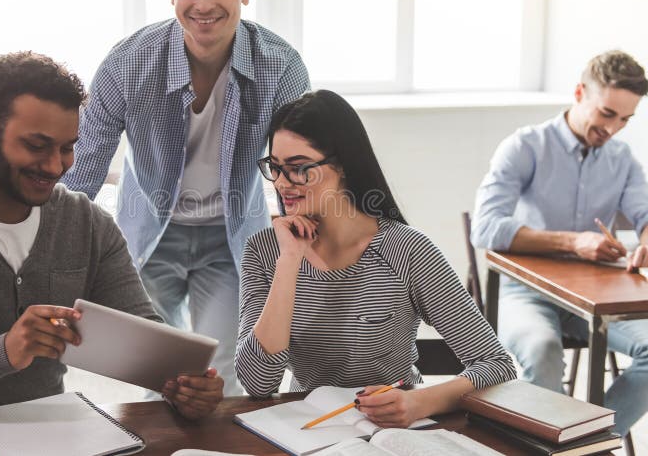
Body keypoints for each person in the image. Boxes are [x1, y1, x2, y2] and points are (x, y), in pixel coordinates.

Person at [0, 52, 223, 422]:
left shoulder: (87, 224)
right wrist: (3, 352)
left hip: (49, 436)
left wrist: (184, 385)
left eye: (67, 147)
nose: (55, 166)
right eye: (36, 145)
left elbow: (148, 343)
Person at [61, 0, 309, 396]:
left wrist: (304, 260)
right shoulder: (128, 63)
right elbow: (83, 172)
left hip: (233, 237)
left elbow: (298, 171)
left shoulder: (281, 65)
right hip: (149, 232)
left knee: (225, 376)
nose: (204, 3)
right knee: (156, 376)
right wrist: (60, 259)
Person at [235, 90, 515, 426]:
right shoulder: (266, 251)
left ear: (342, 166)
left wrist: (417, 403)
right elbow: (257, 382)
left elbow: (497, 365)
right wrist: (289, 261)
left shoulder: (408, 250)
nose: (281, 183)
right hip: (308, 429)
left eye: (299, 169)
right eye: (275, 168)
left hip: (396, 430)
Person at [471, 50, 648, 435]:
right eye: (607, 114)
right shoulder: (526, 146)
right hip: (524, 292)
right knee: (542, 351)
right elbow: (484, 228)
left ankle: (587, 442)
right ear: (580, 92)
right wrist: (574, 242)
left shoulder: (623, 160)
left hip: (594, 295)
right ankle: (562, 442)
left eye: (625, 119)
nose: (614, 128)